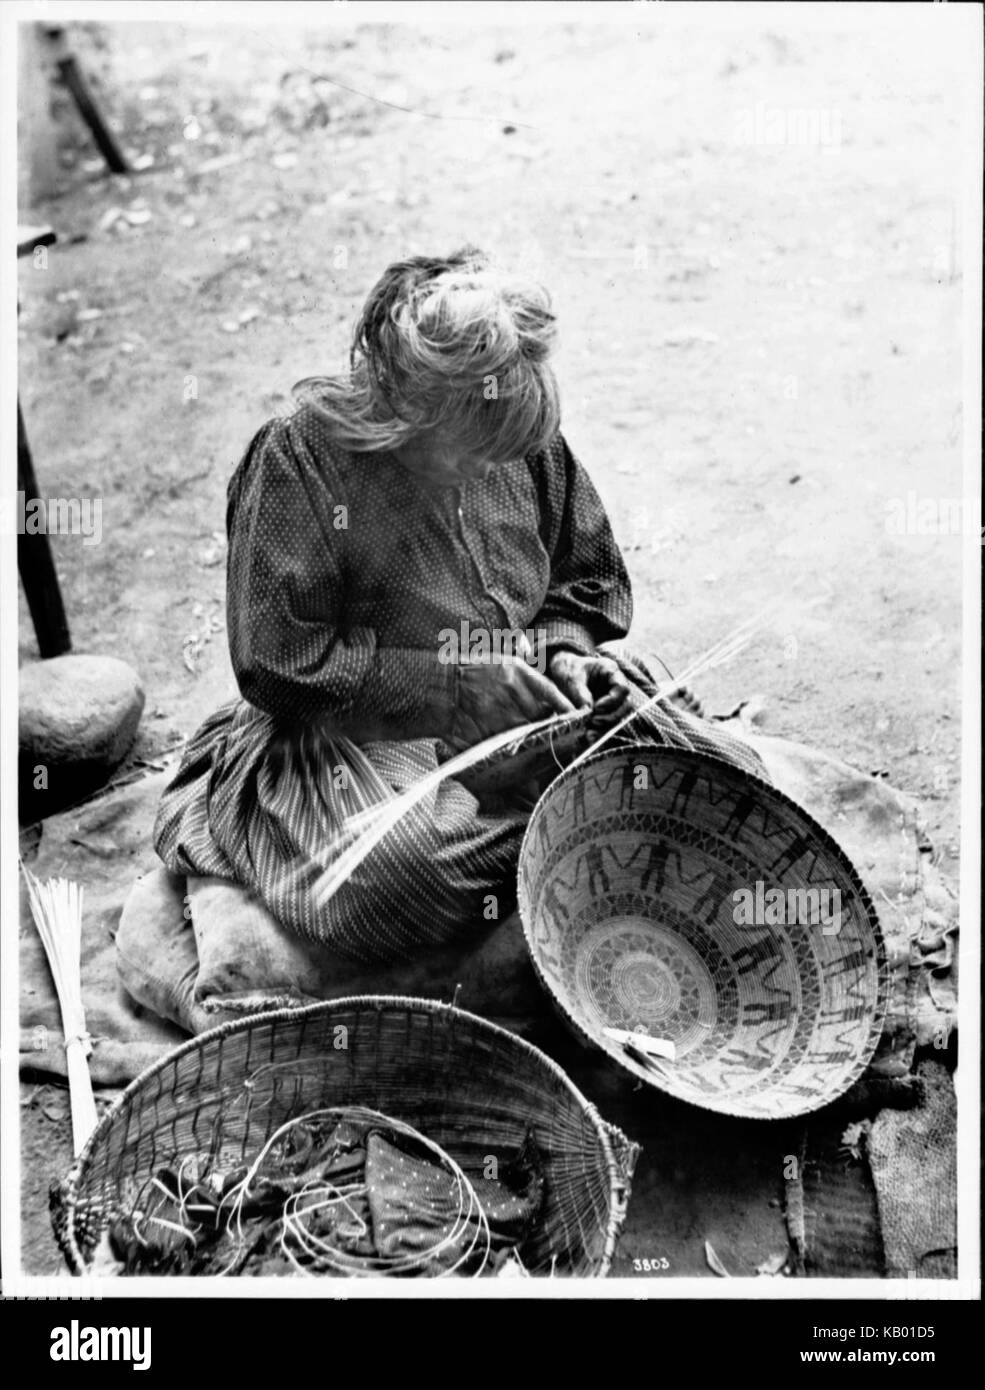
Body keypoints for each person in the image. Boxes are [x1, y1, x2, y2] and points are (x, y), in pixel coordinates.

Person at [152, 247, 761, 965]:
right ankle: (577, 841)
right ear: (407, 411)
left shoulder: (513, 432)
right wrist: (455, 685)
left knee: (723, 774)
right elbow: (282, 667)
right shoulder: (300, 461)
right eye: (470, 452)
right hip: (353, 739)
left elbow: (581, 577)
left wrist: (564, 653)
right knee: (394, 873)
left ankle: (574, 834)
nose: (489, 468)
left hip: (522, 700)